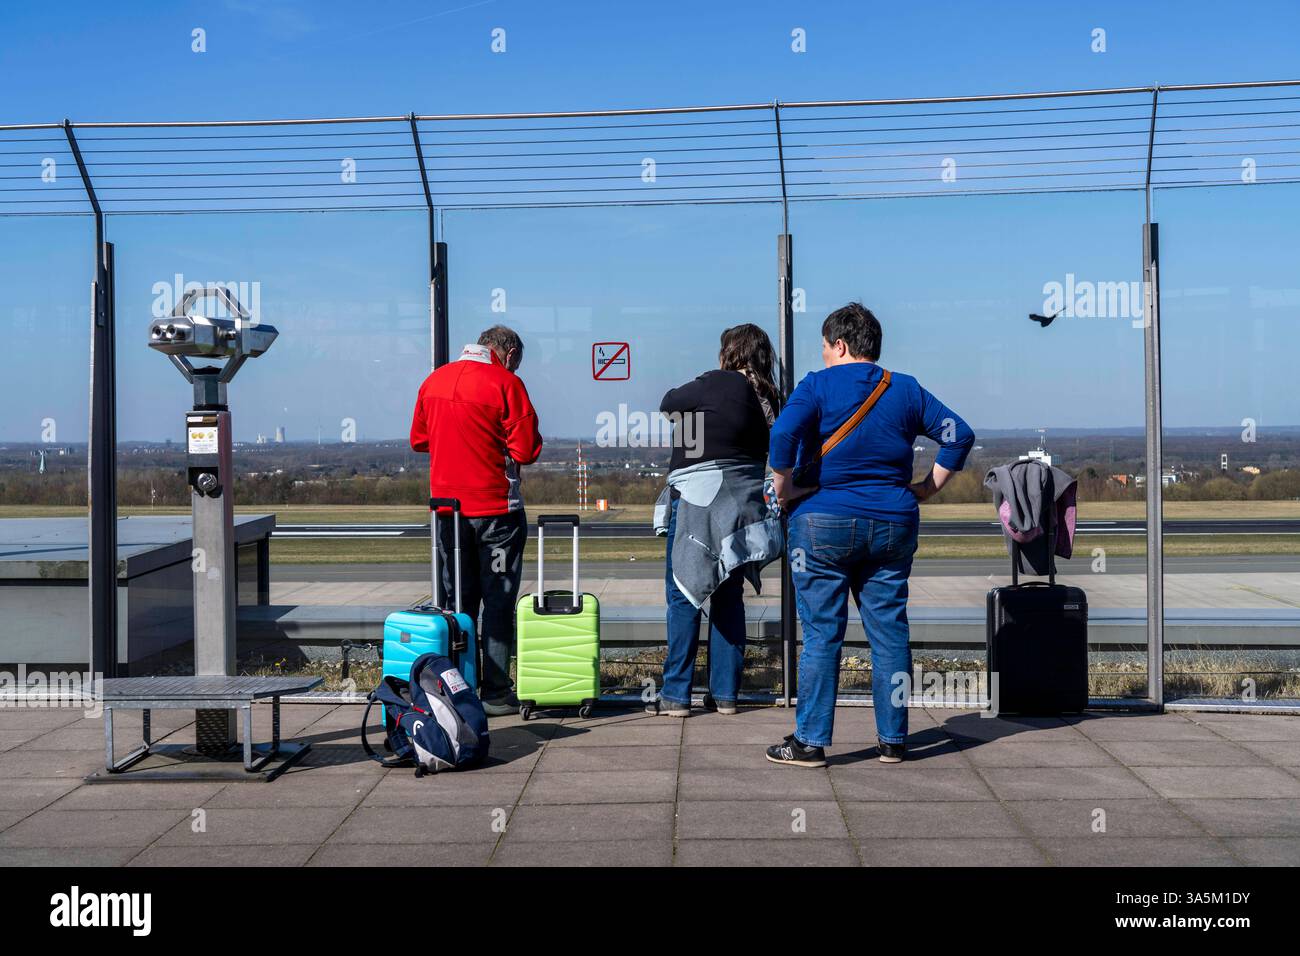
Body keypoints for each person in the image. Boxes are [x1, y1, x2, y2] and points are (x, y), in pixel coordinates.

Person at [764, 303, 973, 767]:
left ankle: (811, 742)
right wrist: (926, 488)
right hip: (893, 524)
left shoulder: (816, 386)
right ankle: (893, 740)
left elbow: (781, 435)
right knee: (889, 632)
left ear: (839, 345)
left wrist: (783, 487)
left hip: (821, 524)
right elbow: (959, 435)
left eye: (823, 347)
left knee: (822, 635)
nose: (821, 356)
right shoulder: (906, 389)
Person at [409, 324, 542, 716]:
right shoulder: (505, 384)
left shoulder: (434, 381)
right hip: (497, 510)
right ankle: (497, 691)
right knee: (498, 602)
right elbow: (527, 448)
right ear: (510, 354)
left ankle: (455, 687)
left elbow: (419, 440)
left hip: (447, 511)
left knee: (455, 602)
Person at [653, 324, 784, 717]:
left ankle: (676, 695)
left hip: (699, 500)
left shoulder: (715, 383)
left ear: (729, 352)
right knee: (728, 596)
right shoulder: (770, 398)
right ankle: (726, 694)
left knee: (683, 592)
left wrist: (702, 390)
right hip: (741, 509)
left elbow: (670, 402)